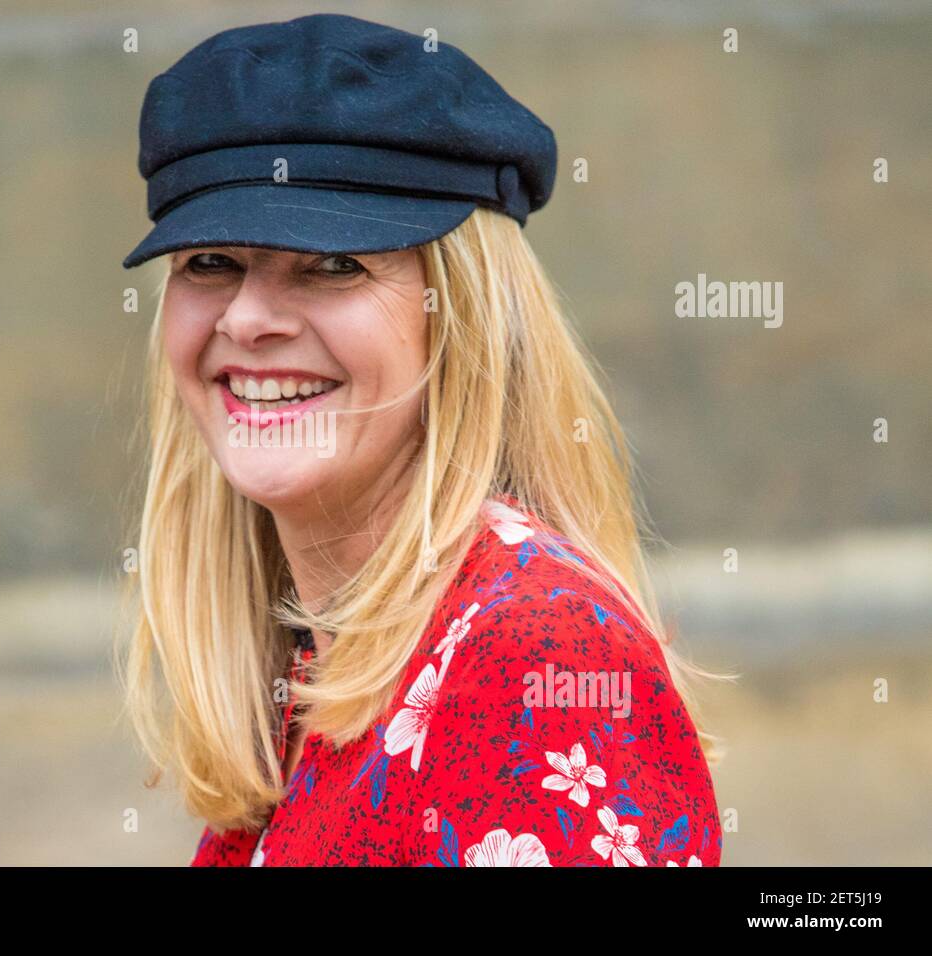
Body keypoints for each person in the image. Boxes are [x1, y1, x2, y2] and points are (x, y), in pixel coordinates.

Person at [116, 13, 724, 866]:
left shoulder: (535, 661)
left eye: (333, 263)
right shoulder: (311, 668)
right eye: (209, 262)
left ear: (461, 316)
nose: (248, 318)